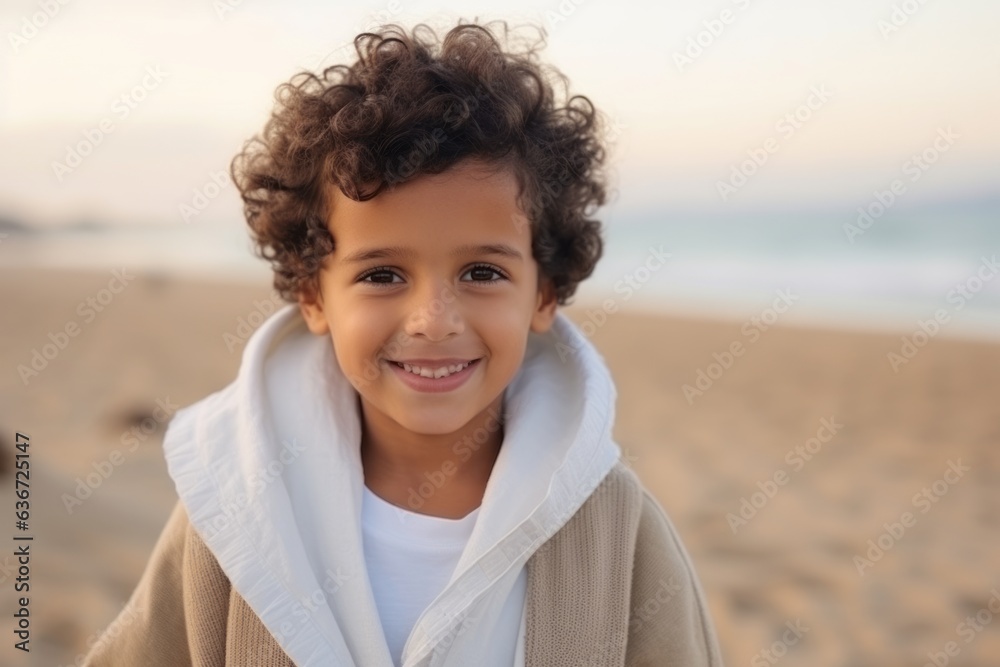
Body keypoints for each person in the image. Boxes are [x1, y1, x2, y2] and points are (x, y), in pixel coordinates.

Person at [82, 20, 724, 667]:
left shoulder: (619, 532)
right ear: (312, 294)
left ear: (545, 291)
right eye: (382, 275)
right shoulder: (233, 511)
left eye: (482, 272)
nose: (434, 320)